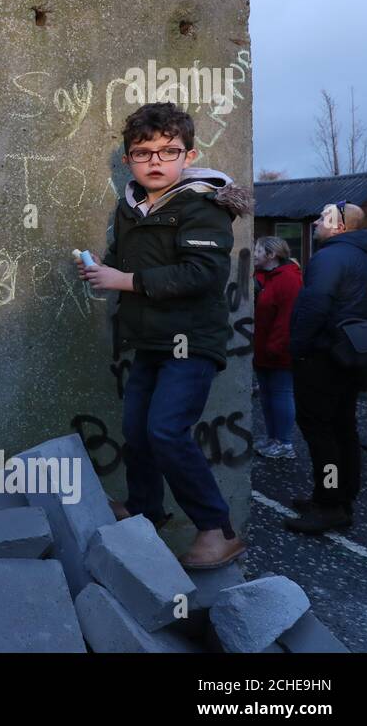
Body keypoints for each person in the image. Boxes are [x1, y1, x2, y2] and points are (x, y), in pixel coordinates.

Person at [78, 102, 253, 569]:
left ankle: (219, 530)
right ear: (128, 160)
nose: (155, 160)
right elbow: (127, 262)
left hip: (191, 342)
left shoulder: (203, 205)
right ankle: (144, 510)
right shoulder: (131, 206)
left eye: (167, 150)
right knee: (137, 432)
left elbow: (201, 273)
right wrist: (102, 269)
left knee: (165, 431)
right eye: (142, 152)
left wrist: (125, 282)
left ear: (189, 155)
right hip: (149, 339)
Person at [284, 202, 367, 534]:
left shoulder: (329, 257)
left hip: (323, 357)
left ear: (339, 226)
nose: (315, 222)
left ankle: (329, 504)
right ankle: (339, 495)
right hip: (349, 355)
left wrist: (296, 347)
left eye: (323, 217)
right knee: (343, 428)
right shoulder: (359, 256)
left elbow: (315, 305)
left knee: (321, 431)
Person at [252, 236, 302, 458]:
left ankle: (284, 443)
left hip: (278, 351)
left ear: (271, 255)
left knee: (281, 393)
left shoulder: (288, 280)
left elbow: (287, 319)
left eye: (258, 250)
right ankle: (273, 438)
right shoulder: (267, 277)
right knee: (267, 395)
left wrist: (276, 348)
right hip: (263, 350)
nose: (253, 253)